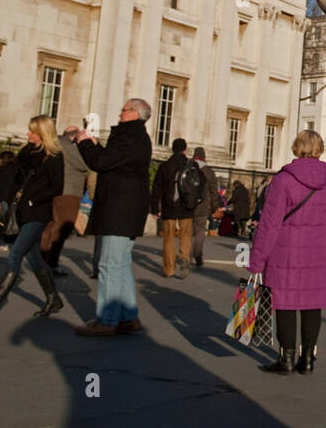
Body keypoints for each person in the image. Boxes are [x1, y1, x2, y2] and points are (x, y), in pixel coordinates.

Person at [247, 130, 326, 374]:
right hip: (318, 254)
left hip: (286, 252)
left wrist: (256, 260)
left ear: (296, 148)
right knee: (313, 304)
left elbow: (269, 224)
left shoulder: (283, 181)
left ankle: (287, 358)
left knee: (285, 303)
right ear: (320, 149)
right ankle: (309, 359)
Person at [0, 116, 67, 322]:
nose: (28, 134)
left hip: (38, 213)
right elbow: (12, 177)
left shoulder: (54, 156)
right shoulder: (25, 153)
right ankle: (53, 297)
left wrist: (32, 200)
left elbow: (57, 187)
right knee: (33, 257)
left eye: (32, 131)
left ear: (42, 133)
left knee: (15, 255)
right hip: (20, 212)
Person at [76, 98, 153, 335]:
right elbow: (113, 161)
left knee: (109, 264)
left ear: (133, 114)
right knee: (120, 265)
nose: (120, 113)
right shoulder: (137, 137)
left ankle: (107, 319)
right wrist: (96, 145)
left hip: (119, 210)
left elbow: (101, 163)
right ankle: (128, 316)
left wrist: (85, 144)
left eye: (124, 110)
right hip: (127, 210)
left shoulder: (128, 136)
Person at [43, 126, 88, 277]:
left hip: (54, 191)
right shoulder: (69, 147)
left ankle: (42, 258)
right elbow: (84, 164)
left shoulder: (54, 144)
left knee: (51, 225)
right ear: (75, 137)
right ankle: (51, 263)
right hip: (69, 191)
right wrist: (86, 146)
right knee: (62, 228)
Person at [151, 137, 193, 279]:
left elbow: (157, 188)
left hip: (169, 205)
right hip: (186, 206)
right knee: (186, 234)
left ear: (172, 149)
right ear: (185, 149)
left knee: (168, 237)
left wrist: (154, 207)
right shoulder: (190, 165)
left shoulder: (165, 165)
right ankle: (184, 256)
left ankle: (169, 268)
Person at [191, 147, 220, 267]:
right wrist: (215, 206)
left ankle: (185, 255)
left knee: (188, 231)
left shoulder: (188, 168)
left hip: (188, 206)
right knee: (200, 231)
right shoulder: (209, 172)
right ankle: (197, 254)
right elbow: (214, 192)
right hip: (202, 206)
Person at [0, 150, 21, 244]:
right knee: (9, 218)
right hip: (13, 198)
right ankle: (9, 237)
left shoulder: (3, 169)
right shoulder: (18, 169)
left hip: (3, 197)